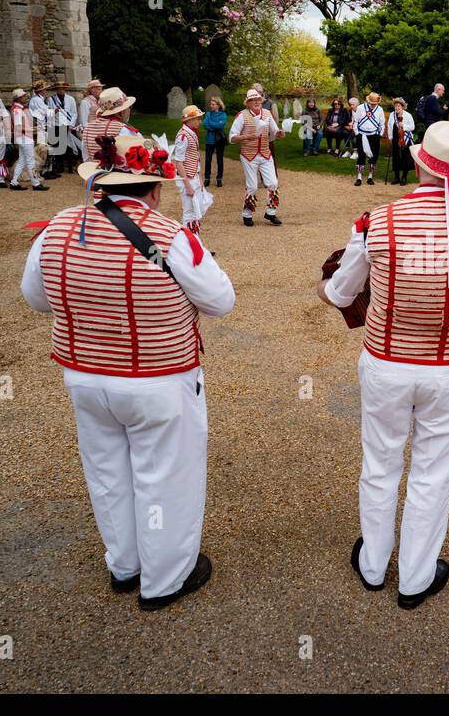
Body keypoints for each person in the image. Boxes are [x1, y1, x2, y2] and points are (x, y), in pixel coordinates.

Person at [21, 133, 235, 610]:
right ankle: (164, 579)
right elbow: (221, 301)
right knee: (165, 476)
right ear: (154, 189)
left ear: (101, 184)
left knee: (107, 472)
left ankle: (124, 564)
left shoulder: (57, 227)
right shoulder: (170, 236)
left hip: (84, 375)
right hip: (158, 377)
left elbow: (36, 298)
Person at [318, 121, 449, 608]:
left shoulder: (376, 222)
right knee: (433, 471)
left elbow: (340, 292)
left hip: (385, 360)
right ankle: (415, 577)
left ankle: (372, 565)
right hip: (448, 367)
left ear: (421, 161)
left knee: (380, 462)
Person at [229, 88, 282, 226]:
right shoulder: (242, 115)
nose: (257, 102)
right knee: (252, 186)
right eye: (253, 100)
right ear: (248, 103)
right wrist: (246, 136)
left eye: (259, 99)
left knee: (273, 183)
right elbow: (232, 137)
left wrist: (279, 133)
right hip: (248, 154)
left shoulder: (267, 113)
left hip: (265, 153)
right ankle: (247, 214)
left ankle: (270, 213)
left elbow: (274, 131)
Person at [174, 105, 208, 234]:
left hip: (193, 176)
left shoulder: (191, 133)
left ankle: (195, 242)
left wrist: (199, 178)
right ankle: (188, 244)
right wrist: (187, 185)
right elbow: (179, 162)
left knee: (195, 211)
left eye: (200, 118)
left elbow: (196, 158)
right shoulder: (183, 136)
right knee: (189, 212)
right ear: (189, 120)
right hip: (187, 178)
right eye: (197, 118)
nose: (200, 121)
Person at [82, 87, 139, 163]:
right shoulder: (123, 130)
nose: (129, 111)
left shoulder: (88, 128)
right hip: (117, 174)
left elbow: (86, 158)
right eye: (128, 108)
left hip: (92, 172)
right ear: (121, 112)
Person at [7, 88, 48, 192]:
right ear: (19, 98)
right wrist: (34, 129)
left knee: (22, 161)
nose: (25, 98)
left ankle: (14, 182)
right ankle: (36, 184)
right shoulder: (17, 110)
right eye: (23, 96)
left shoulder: (18, 109)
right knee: (30, 161)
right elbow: (19, 128)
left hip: (23, 138)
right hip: (24, 138)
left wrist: (33, 128)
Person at [45, 81, 79, 176]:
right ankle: (59, 166)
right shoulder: (50, 100)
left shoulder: (71, 99)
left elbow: (74, 113)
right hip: (56, 125)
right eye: (59, 88)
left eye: (62, 88)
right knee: (57, 147)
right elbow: (47, 114)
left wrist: (71, 124)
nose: (61, 90)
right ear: (56, 90)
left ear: (65, 89)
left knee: (70, 147)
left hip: (68, 125)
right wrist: (54, 112)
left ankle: (70, 166)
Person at [352, 92, 385, 186]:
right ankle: (359, 177)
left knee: (374, 157)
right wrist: (357, 133)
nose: (373, 105)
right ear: (368, 101)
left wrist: (379, 134)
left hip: (374, 135)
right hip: (362, 135)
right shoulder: (360, 108)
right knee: (361, 155)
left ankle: (370, 177)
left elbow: (382, 124)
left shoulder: (380, 109)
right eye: (372, 103)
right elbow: (356, 121)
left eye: (375, 103)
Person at [385, 97, 416, 185]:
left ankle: (404, 177)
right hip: (395, 138)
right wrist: (390, 137)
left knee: (405, 158)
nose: (397, 108)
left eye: (399, 106)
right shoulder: (392, 115)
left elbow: (413, 127)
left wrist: (404, 125)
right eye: (396, 106)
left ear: (402, 107)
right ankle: (396, 177)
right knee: (396, 157)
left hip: (405, 139)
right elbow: (390, 127)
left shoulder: (408, 115)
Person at [202, 96, 228, 186]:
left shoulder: (223, 115)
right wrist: (215, 125)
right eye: (211, 104)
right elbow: (205, 125)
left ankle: (219, 179)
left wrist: (211, 124)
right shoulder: (208, 114)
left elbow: (220, 126)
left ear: (218, 105)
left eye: (213, 104)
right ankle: (207, 179)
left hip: (220, 140)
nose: (211, 105)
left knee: (219, 160)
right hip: (209, 140)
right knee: (208, 160)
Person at [76, 78, 103, 158]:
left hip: (100, 132)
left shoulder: (100, 101)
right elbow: (84, 122)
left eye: (100, 88)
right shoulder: (85, 102)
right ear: (93, 90)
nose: (101, 90)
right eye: (99, 89)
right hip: (91, 134)